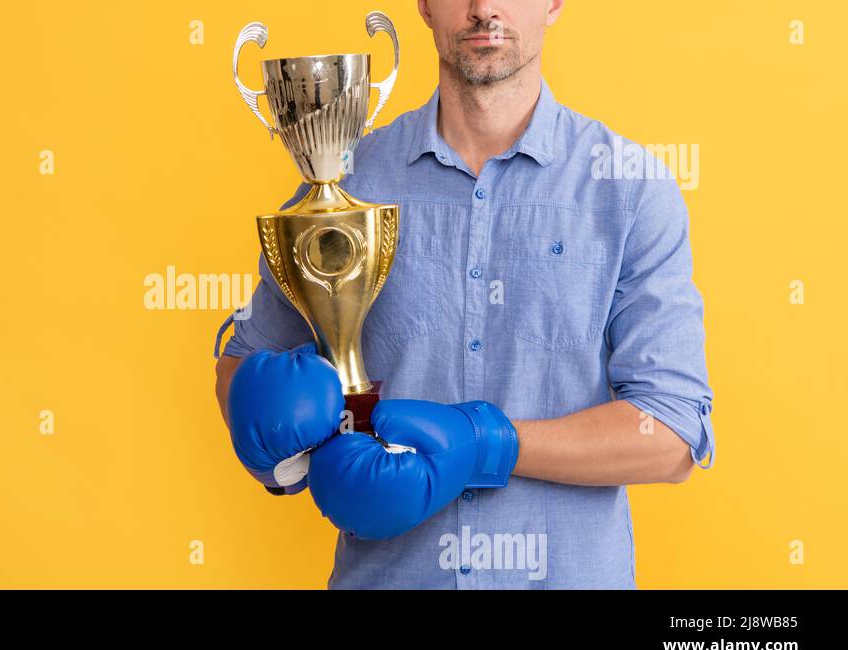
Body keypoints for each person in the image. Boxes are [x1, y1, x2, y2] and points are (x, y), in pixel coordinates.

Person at [213, 0, 714, 589]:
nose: (484, 10)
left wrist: (488, 444)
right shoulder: (344, 184)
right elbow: (245, 363)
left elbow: (672, 435)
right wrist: (267, 425)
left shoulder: (630, 190)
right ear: (424, 5)